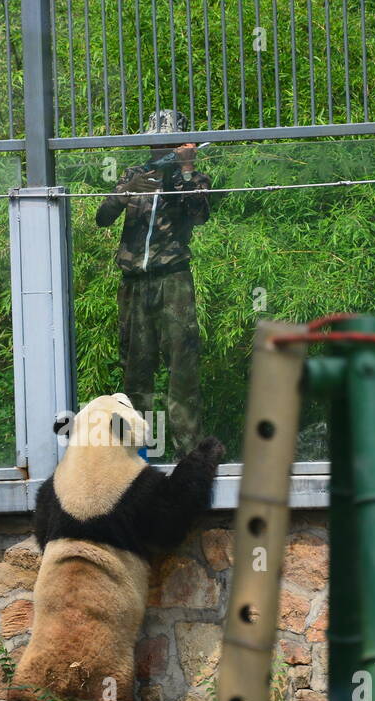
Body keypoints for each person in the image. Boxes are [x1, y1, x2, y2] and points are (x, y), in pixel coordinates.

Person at [95, 109, 215, 457]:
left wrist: (187, 169)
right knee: (135, 367)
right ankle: (137, 455)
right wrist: (126, 190)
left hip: (172, 279)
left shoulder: (192, 178)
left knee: (182, 366)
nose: (159, 149)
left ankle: (188, 455)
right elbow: (102, 218)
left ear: (182, 145)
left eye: (168, 143)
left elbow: (201, 214)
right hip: (133, 282)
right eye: (154, 143)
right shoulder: (135, 174)